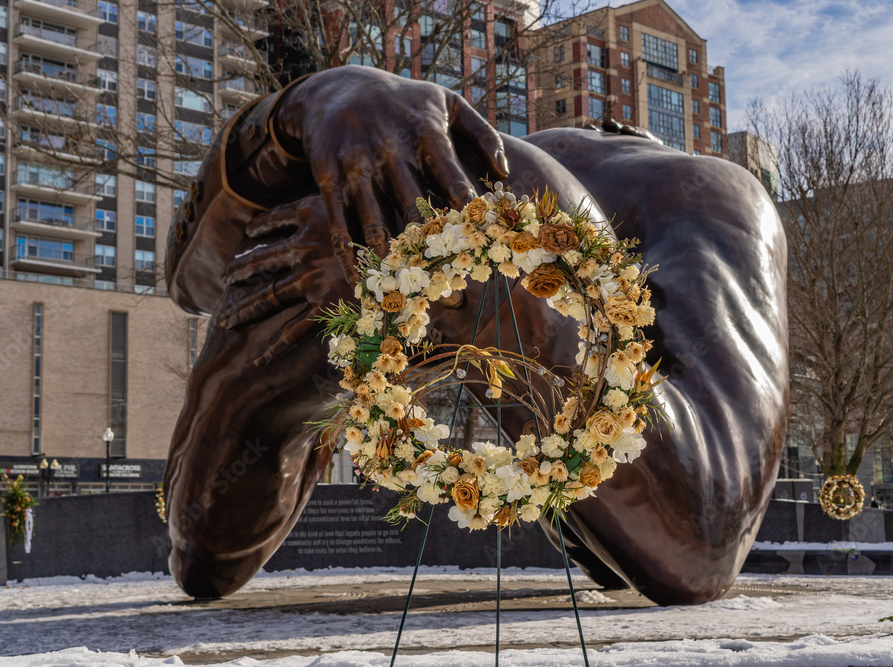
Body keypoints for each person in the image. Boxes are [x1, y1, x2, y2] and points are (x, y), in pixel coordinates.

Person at [163, 66, 788, 605]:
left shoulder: (690, 190)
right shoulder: (691, 189)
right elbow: (702, 530)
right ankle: (267, 379)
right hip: (461, 209)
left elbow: (708, 528)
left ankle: (257, 385)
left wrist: (316, 98)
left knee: (204, 552)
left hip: (476, 213)